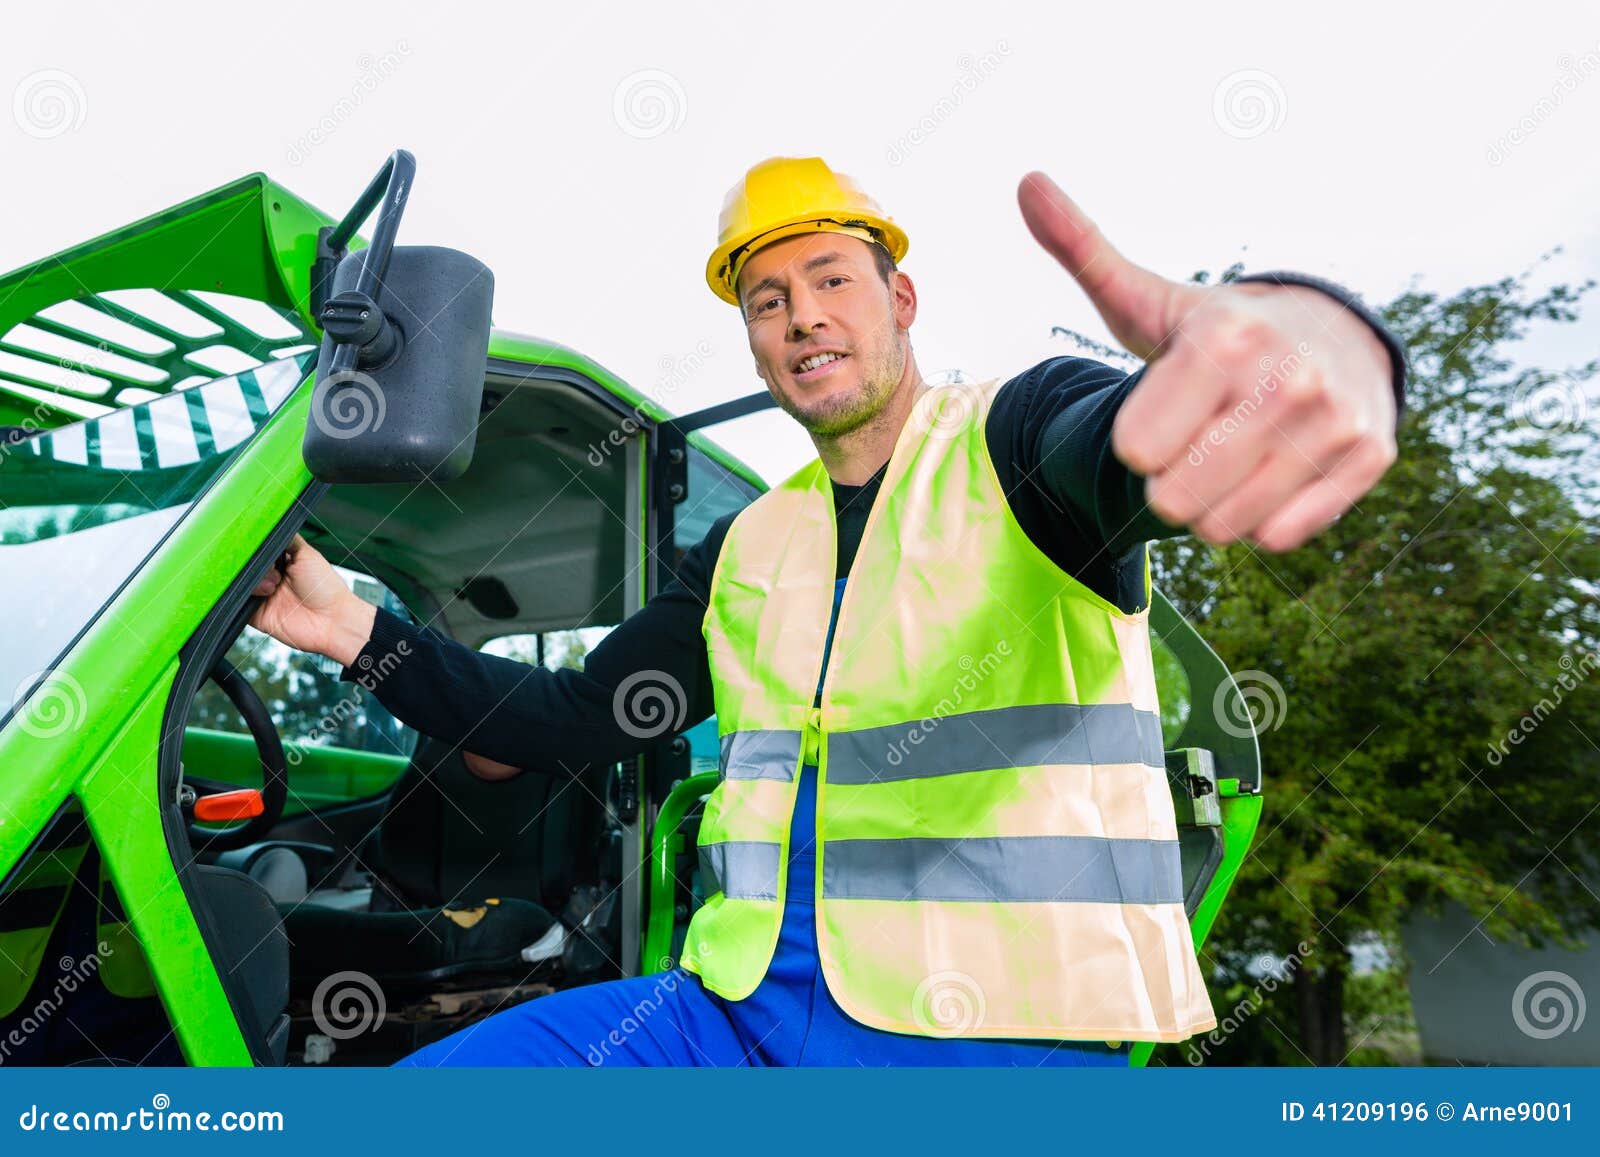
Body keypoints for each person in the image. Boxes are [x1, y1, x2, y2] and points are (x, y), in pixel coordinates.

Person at [251, 157, 1406, 1066]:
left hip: (1000, 1035)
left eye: (831, 281)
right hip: (734, 1014)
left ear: (899, 298)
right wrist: (351, 626)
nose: (801, 316)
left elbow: (1129, 440)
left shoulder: (1020, 441)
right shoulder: (746, 545)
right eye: (768, 299)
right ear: (751, 339)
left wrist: (1308, 346)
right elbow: (567, 719)